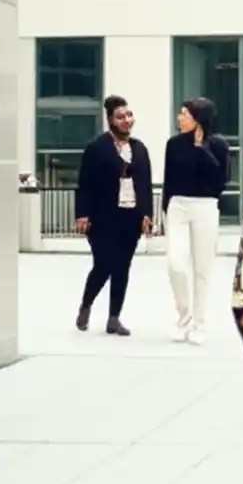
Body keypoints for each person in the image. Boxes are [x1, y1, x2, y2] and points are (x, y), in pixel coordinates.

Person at [74, 95, 154, 336]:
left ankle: (114, 318)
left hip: (130, 217)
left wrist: (147, 214)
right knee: (104, 264)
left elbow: (145, 184)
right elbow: (84, 183)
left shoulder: (139, 149)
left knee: (123, 267)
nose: (126, 121)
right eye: (121, 117)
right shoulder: (97, 148)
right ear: (110, 120)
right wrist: (82, 214)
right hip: (102, 217)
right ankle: (86, 304)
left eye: (129, 116)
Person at [161, 96, 229, 345]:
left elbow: (220, 181)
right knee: (175, 263)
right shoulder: (174, 144)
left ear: (198, 118)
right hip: (178, 206)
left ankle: (199, 323)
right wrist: (164, 210)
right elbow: (168, 180)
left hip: (206, 206)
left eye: (184, 114)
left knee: (203, 269)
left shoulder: (218, 145)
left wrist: (202, 149)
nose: (179, 118)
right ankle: (184, 316)